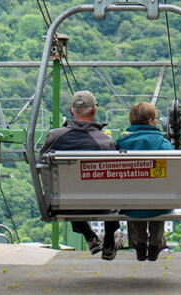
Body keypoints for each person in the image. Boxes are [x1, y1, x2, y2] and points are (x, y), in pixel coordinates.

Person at [40, 90, 122, 260]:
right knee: (111, 189)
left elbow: (42, 164)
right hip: (102, 203)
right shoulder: (104, 142)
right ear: (94, 110)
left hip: (65, 202)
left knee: (67, 189)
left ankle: (90, 236)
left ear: (71, 111)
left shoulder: (54, 137)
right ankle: (108, 241)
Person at [116, 102, 173, 261]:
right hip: (158, 200)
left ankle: (140, 243)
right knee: (158, 198)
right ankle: (155, 243)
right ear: (150, 122)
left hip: (130, 200)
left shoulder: (122, 143)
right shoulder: (163, 143)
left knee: (136, 199)